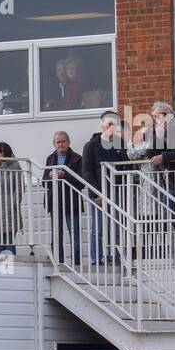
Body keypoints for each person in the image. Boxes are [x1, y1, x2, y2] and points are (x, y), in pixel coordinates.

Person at [81, 111, 128, 265]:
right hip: (98, 193)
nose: (111, 127)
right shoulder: (91, 145)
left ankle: (116, 256)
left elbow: (127, 165)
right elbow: (86, 171)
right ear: (102, 125)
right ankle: (97, 258)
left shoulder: (120, 144)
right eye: (108, 123)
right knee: (98, 229)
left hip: (117, 192)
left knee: (116, 226)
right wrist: (97, 193)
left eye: (114, 124)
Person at [42, 130, 84, 265]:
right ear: (54, 144)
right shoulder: (50, 158)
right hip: (55, 202)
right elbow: (43, 181)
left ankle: (76, 264)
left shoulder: (77, 158)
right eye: (58, 142)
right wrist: (49, 177)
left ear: (68, 142)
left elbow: (82, 181)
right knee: (56, 236)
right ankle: (58, 264)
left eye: (63, 141)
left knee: (75, 236)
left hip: (72, 201)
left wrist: (64, 175)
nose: (60, 144)